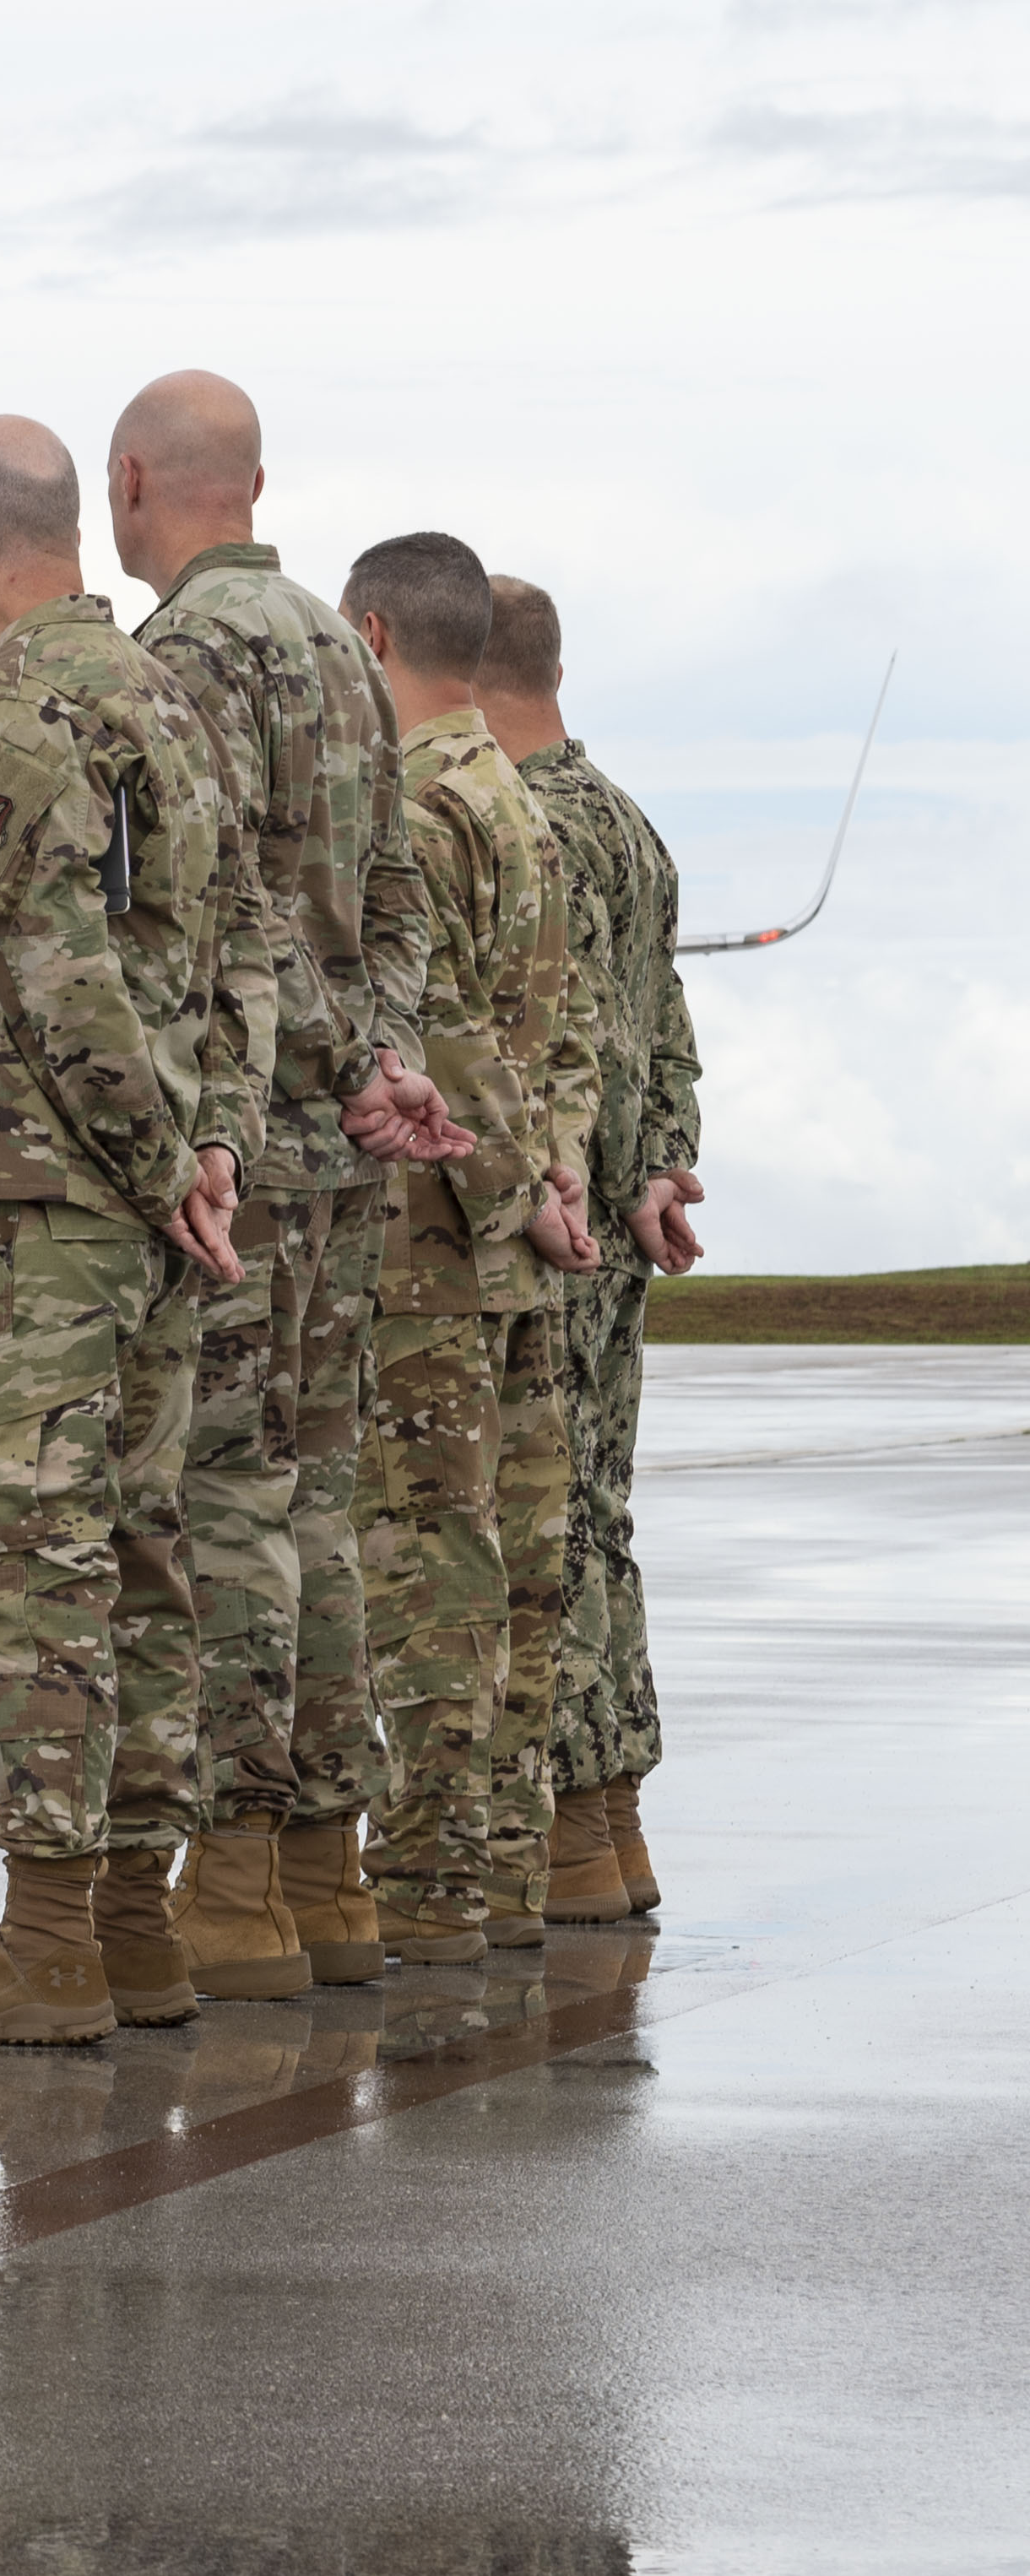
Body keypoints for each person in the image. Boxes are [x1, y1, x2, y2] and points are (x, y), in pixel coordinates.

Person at [0, 415, 251, 2048]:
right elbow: (225, 957)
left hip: (40, 1200)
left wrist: (156, 1163)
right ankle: (135, 1929)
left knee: (27, 1550)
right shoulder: (169, 697)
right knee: (138, 1541)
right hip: (142, 1206)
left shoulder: (8, 709)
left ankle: (49, 1941)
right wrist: (207, 1151)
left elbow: (54, 967)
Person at [106, 371, 467, 1999]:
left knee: (228, 1503)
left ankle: (240, 1880)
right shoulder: (341, 645)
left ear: (132, 487)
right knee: (316, 1499)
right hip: (344, 1150)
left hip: (245, 1144)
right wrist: (381, 1056)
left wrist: (288, 1078)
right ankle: (325, 1870)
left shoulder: (179, 657)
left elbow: (225, 918)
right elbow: (393, 898)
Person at [340, 533, 599, 1964]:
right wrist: (556, 1175)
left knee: (427, 1557)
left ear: (372, 633)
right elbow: (564, 1038)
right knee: (511, 1558)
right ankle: (500, 1859)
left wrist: (510, 1188)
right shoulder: (513, 801)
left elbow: (439, 1032)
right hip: (513, 1244)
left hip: (437, 1240)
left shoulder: (416, 809)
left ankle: (436, 1881)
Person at [482, 576, 702, 1922]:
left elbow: (586, 1045)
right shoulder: (627, 819)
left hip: (556, 1233)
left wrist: (593, 1173)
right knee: (599, 1524)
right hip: (615, 1227)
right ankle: (609, 1822)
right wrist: (663, 1162)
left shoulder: (534, 824)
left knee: (543, 1532)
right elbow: (666, 1031)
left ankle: (566, 1832)